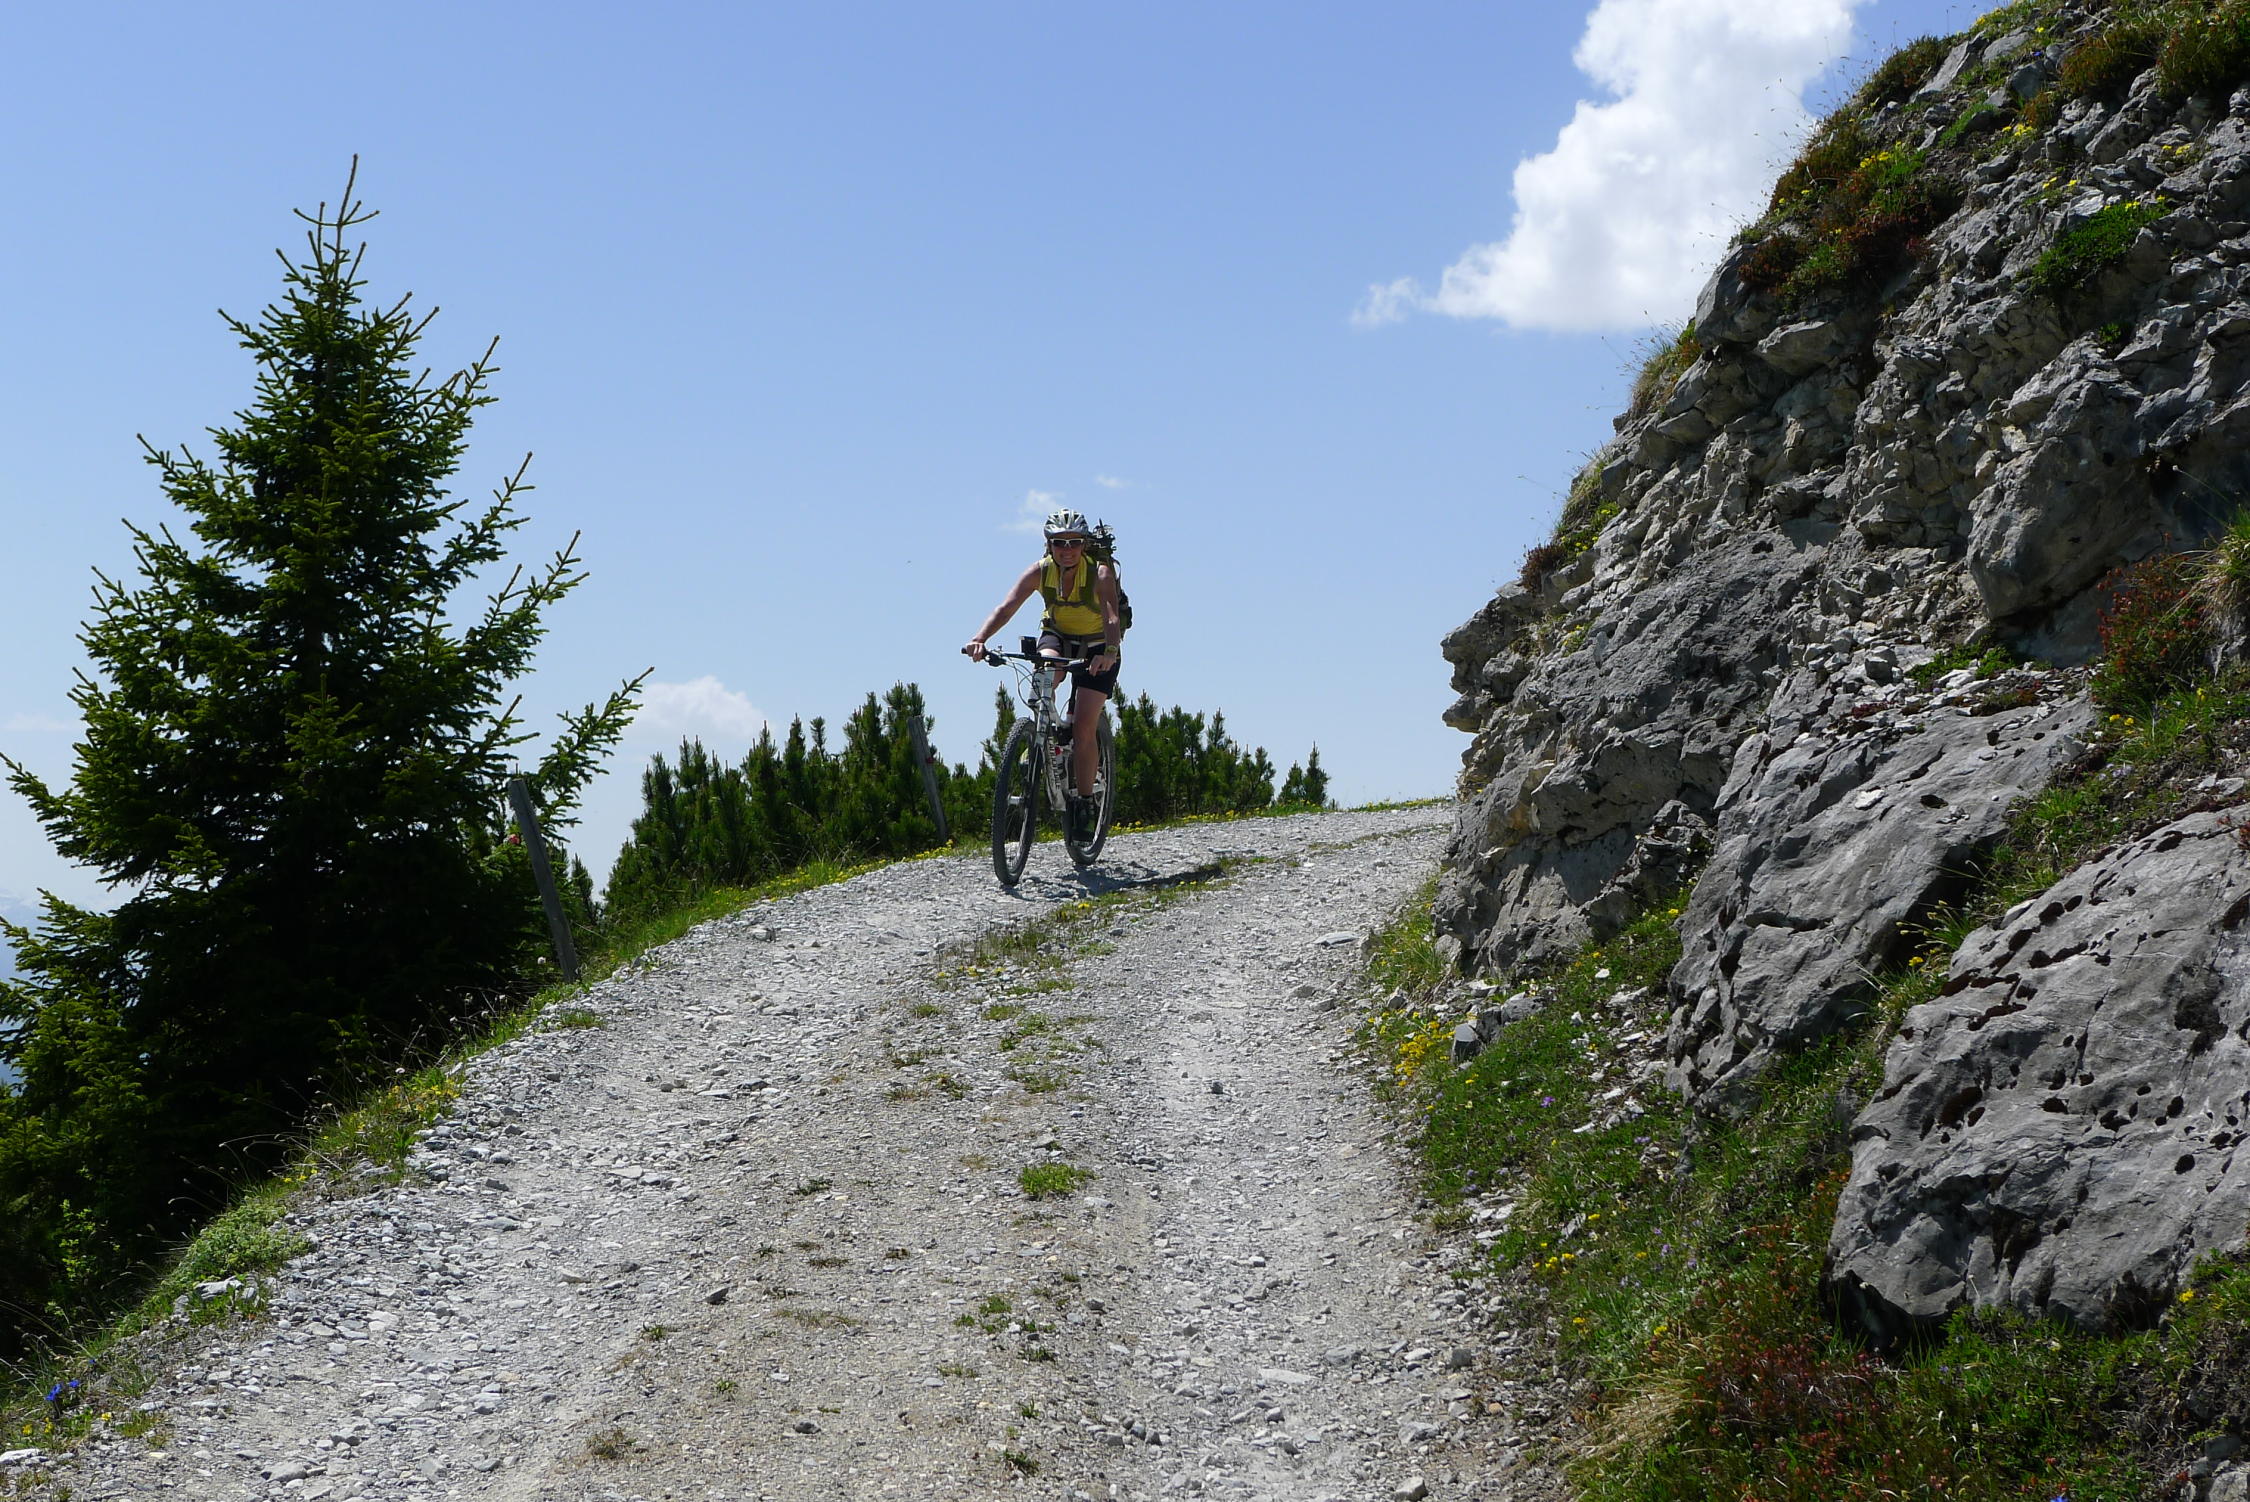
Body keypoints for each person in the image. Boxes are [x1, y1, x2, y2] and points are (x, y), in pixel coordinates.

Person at [962, 508, 1122, 839]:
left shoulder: (1101, 573)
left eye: (1074, 542)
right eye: (1060, 542)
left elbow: (1110, 617)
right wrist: (980, 639)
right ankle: (1039, 735)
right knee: (1046, 671)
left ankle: (1085, 802)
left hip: (1098, 646)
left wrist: (1108, 651)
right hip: (1059, 636)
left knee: (1083, 726)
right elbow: (1005, 608)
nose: (1067, 549)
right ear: (1048, 544)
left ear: (1083, 544)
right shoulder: (1039, 572)